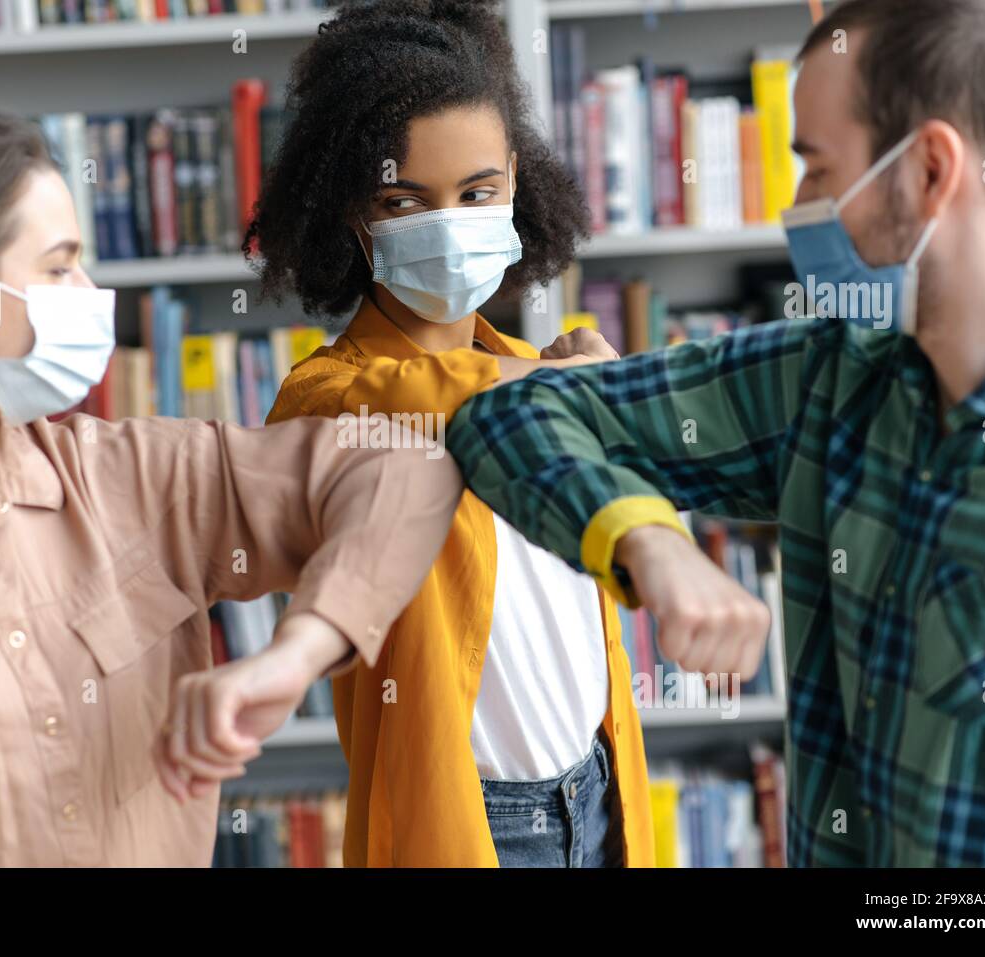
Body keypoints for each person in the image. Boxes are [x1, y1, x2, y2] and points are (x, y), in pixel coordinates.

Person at [0, 107, 461, 866]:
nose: (90, 293)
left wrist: (294, 655)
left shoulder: (135, 479)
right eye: (58, 267)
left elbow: (403, 467)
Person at [447, 0, 985, 866]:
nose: (794, 211)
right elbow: (511, 415)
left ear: (928, 171)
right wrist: (648, 538)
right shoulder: (836, 376)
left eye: (816, 169)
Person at [251, 0, 676, 867]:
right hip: (477, 820)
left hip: (600, 792)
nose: (450, 223)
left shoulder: (536, 362)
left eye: (479, 192)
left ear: (517, 182)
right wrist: (557, 385)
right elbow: (395, 398)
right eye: (406, 201)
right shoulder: (326, 398)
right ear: (355, 216)